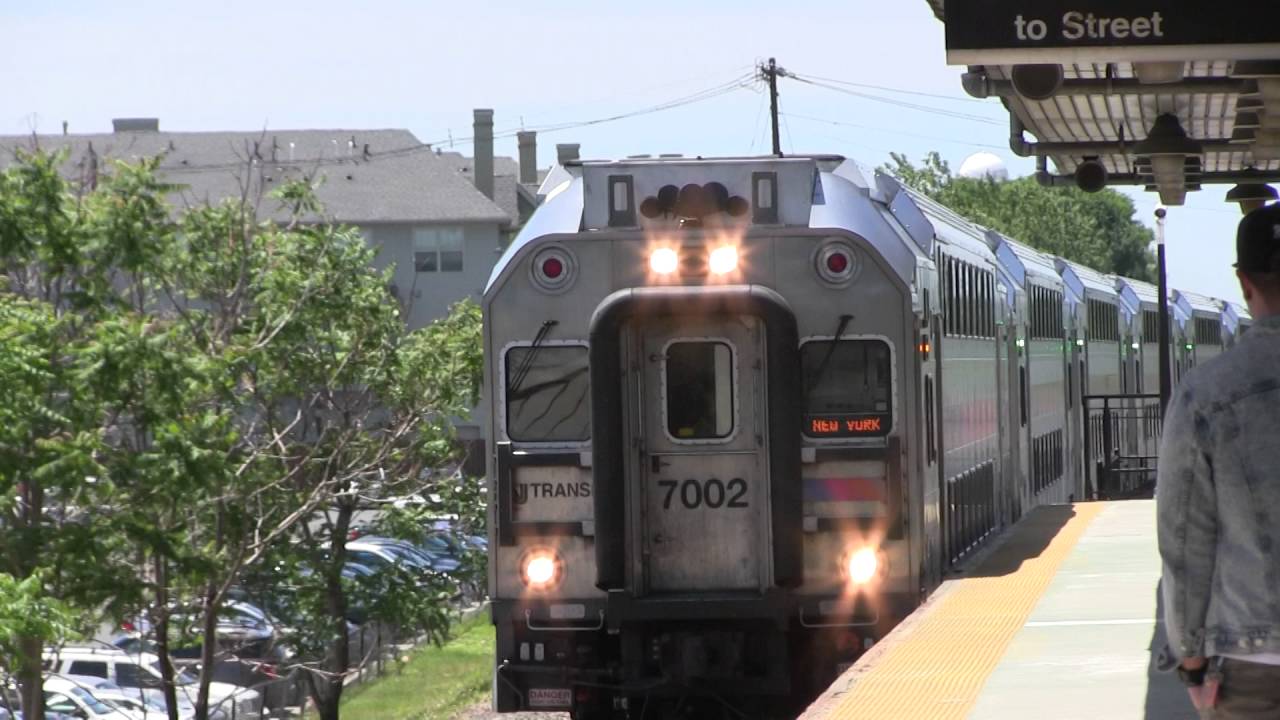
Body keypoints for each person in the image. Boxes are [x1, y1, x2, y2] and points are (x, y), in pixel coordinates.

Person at [1158, 202, 1280, 718]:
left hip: (1250, 665)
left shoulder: (1204, 395)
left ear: (1244, 282)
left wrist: (1191, 656)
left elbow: (1185, 542)